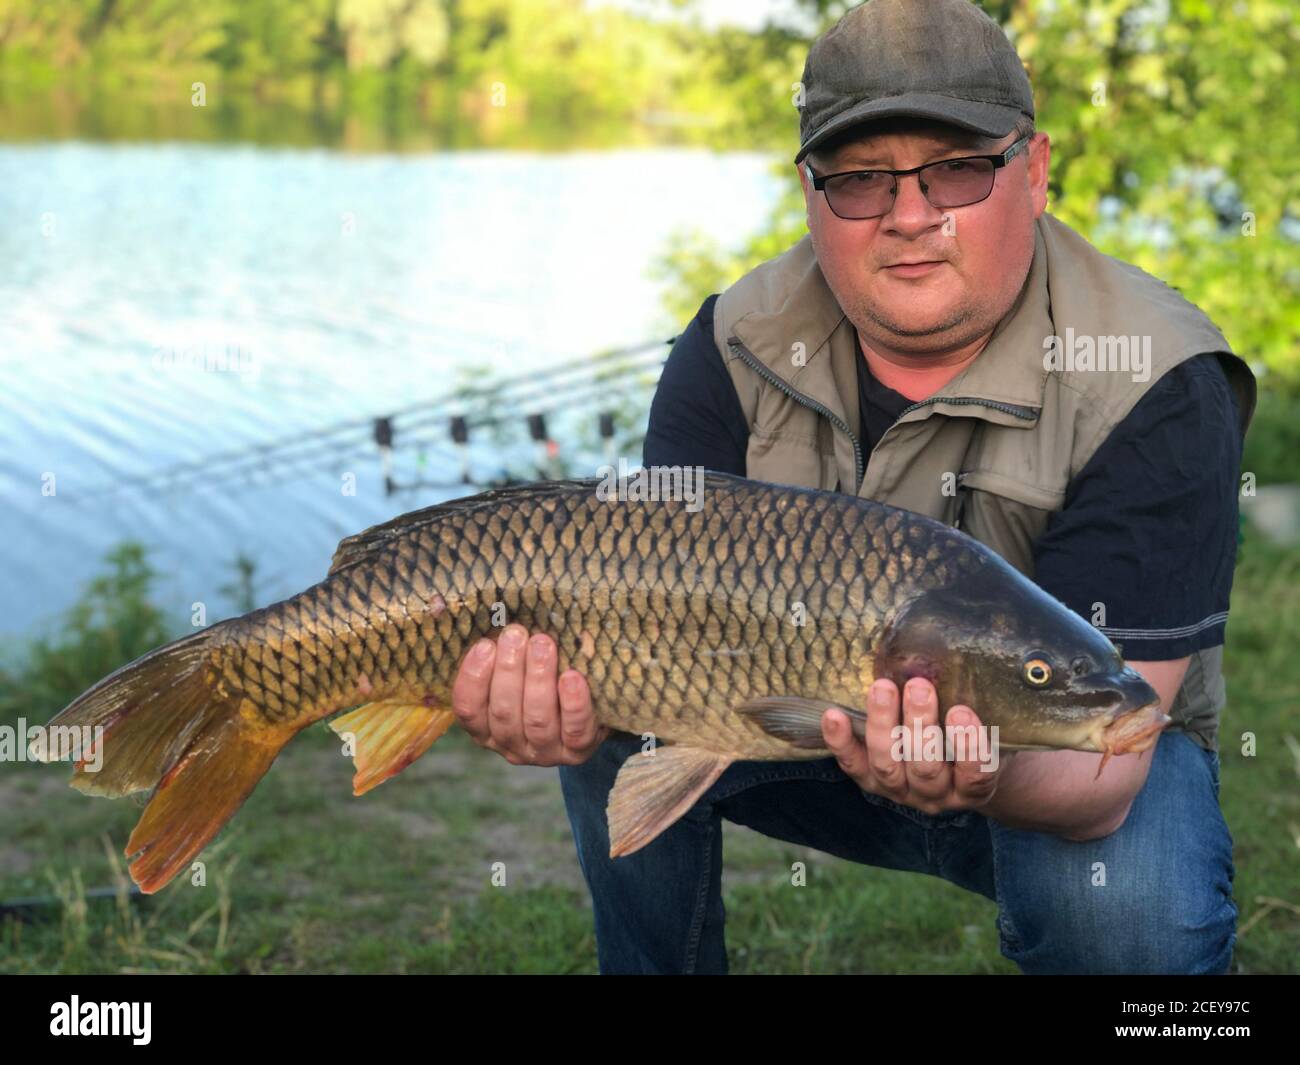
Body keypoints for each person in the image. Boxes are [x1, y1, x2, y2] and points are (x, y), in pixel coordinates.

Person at [449, 0, 1256, 974]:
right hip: (794, 730)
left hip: (1061, 763)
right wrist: (553, 706)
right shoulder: (731, 343)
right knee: (606, 679)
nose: (909, 216)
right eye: (862, 181)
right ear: (809, 192)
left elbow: (1105, 762)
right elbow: (636, 595)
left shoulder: (1153, 377)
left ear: (1033, 170)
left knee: (1129, 910)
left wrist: (975, 764)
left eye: (956, 168)